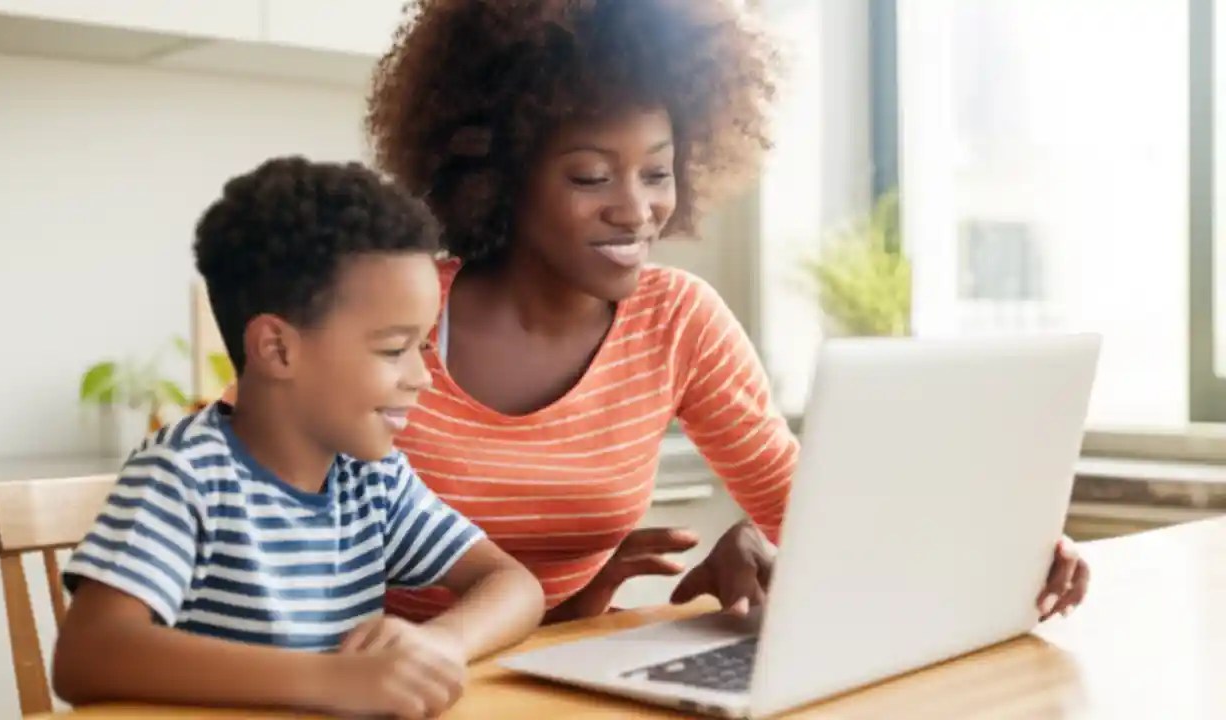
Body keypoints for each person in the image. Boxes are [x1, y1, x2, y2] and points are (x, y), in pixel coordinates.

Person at [364, 0, 1090, 625]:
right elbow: (256, 470)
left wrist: (1000, 555)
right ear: (501, 175)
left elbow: (808, 508)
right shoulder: (397, 310)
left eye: (657, 172)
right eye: (591, 175)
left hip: (557, 678)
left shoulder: (676, 320)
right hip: (370, 684)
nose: (636, 209)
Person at [52, 157, 545, 719]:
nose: (421, 377)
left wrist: (443, 642)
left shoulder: (372, 480)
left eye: (422, 346)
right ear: (277, 349)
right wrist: (333, 679)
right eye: (392, 349)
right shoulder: (185, 473)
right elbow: (87, 654)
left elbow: (513, 584)